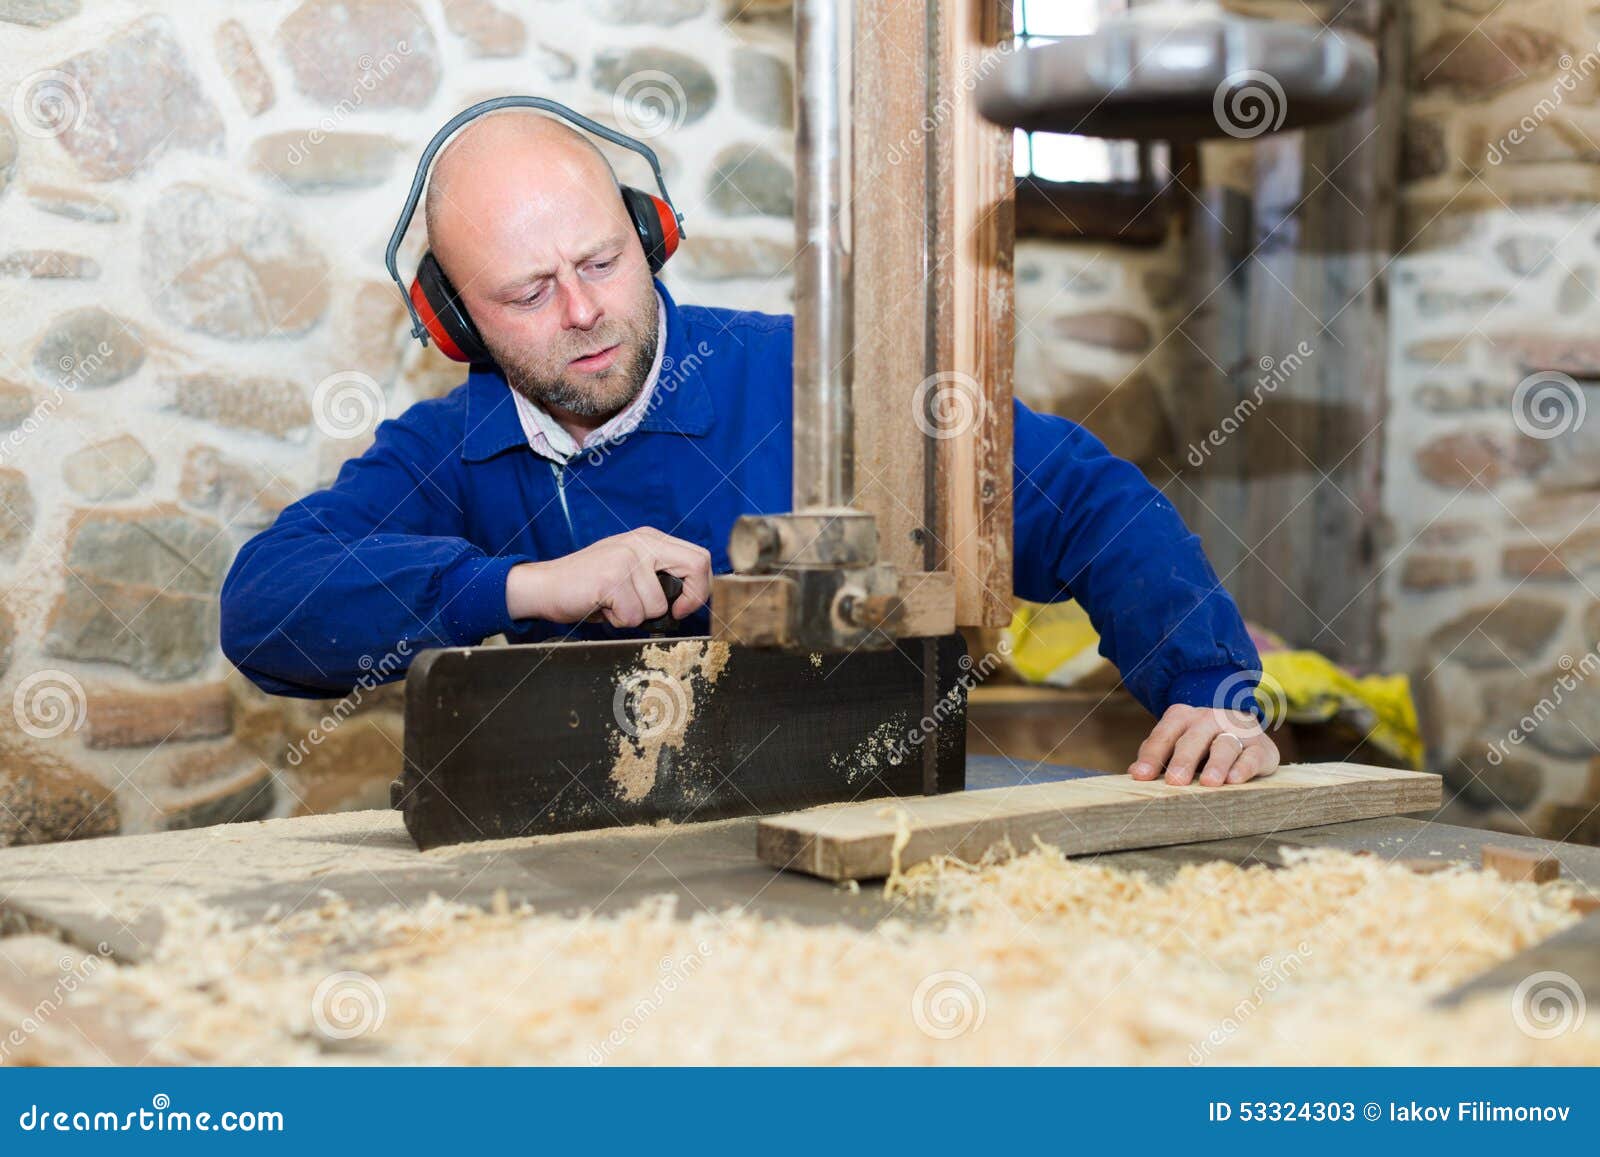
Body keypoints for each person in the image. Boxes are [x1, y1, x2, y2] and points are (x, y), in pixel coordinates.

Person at [221, 110, 1278, 788]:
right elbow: (268, 608)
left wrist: (1209, 686)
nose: (585, 310)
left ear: (651, 232)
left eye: (601, 259)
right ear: (454, 318)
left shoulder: (816, 384)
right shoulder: (451, 450)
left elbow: (1088, 499)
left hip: (862, 852)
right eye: (528, 292)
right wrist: (527, 587)